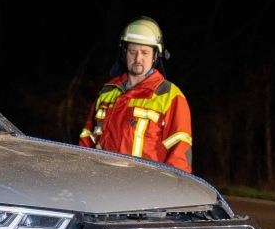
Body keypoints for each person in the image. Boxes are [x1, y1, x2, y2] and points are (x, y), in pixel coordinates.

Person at [78, 16, 192, 172]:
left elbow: (180, 156)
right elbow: (86, 141)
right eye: (133, 51)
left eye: (145, 52)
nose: (138, 58)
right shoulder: (107, 92)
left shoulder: (169, 96)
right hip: (101, 184)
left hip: (143, 191)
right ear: (124, 52)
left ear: (155, 56)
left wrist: (169, 192)